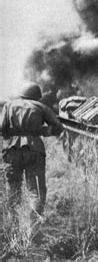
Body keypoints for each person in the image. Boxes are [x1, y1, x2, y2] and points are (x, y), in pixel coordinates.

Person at [1, 82, 64, 226]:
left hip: (11, 150)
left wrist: (11, 133)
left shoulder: (9, 105)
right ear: (37, 95)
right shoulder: (41, 107)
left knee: (13, 189)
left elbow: (1, 128)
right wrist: (40, 131)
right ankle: (33, 228)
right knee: (36, 191)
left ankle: (13, 226)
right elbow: (58, 128)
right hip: (34, 149)